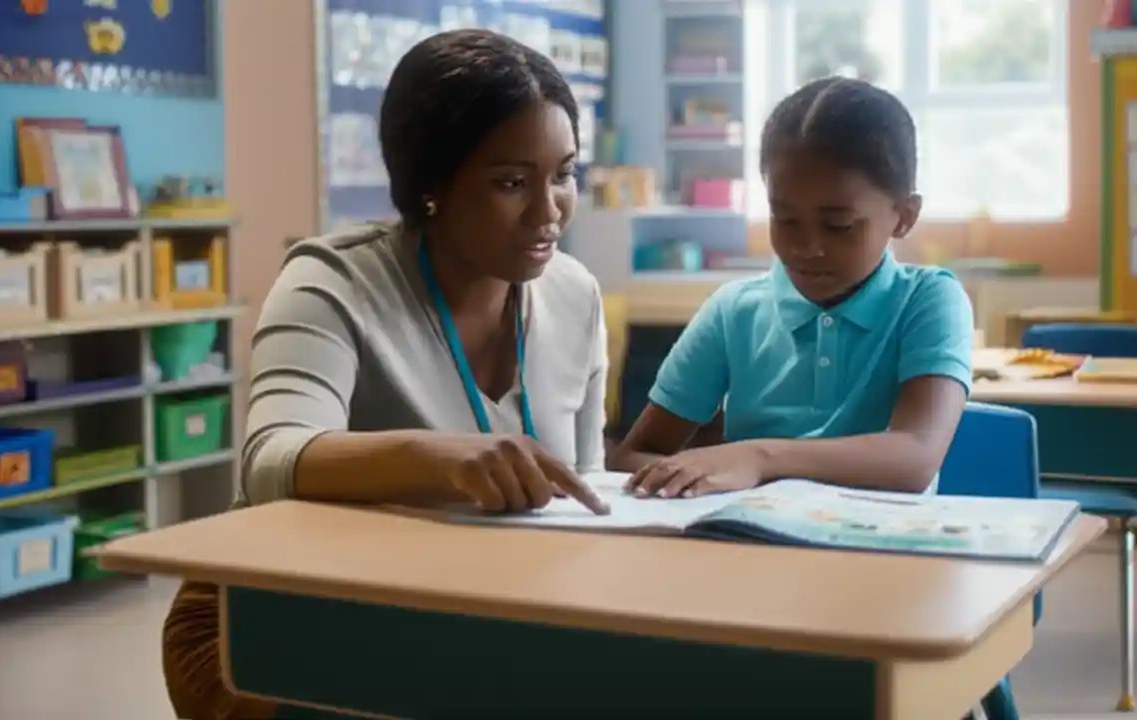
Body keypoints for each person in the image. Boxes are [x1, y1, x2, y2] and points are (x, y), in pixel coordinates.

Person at [161, 29, 610, 720]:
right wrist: (435, 459)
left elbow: (586, 503)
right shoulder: (333, 280)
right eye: (512, 183)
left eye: (565, 174)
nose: (549, 210)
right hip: (273, 622)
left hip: (474, 603)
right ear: (430, 184)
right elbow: (270, 460)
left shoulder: (575, 295)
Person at [610, 77, 973, 499]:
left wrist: (758, 459)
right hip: (753, 552)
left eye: (839, 225)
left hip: (885, 554)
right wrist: (692, 471)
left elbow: (915, 457)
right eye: (784, 219)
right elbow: (633, 455)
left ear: (905, 215)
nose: (807, 248)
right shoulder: (733, 312)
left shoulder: (928, 300)